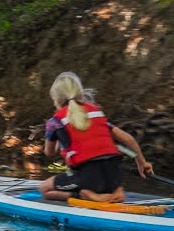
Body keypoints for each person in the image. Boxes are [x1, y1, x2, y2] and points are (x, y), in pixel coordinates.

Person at [40, 70, 152, 204]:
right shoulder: (95, 113)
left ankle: (84, 194)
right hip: (114, 174)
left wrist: (59, 139)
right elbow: (129, 139)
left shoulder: (54, 122)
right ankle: (116, 191)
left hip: (88, 178)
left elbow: (49, 153)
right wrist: (142, 163)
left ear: (56, 99)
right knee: (105, 178)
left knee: (44, 189)